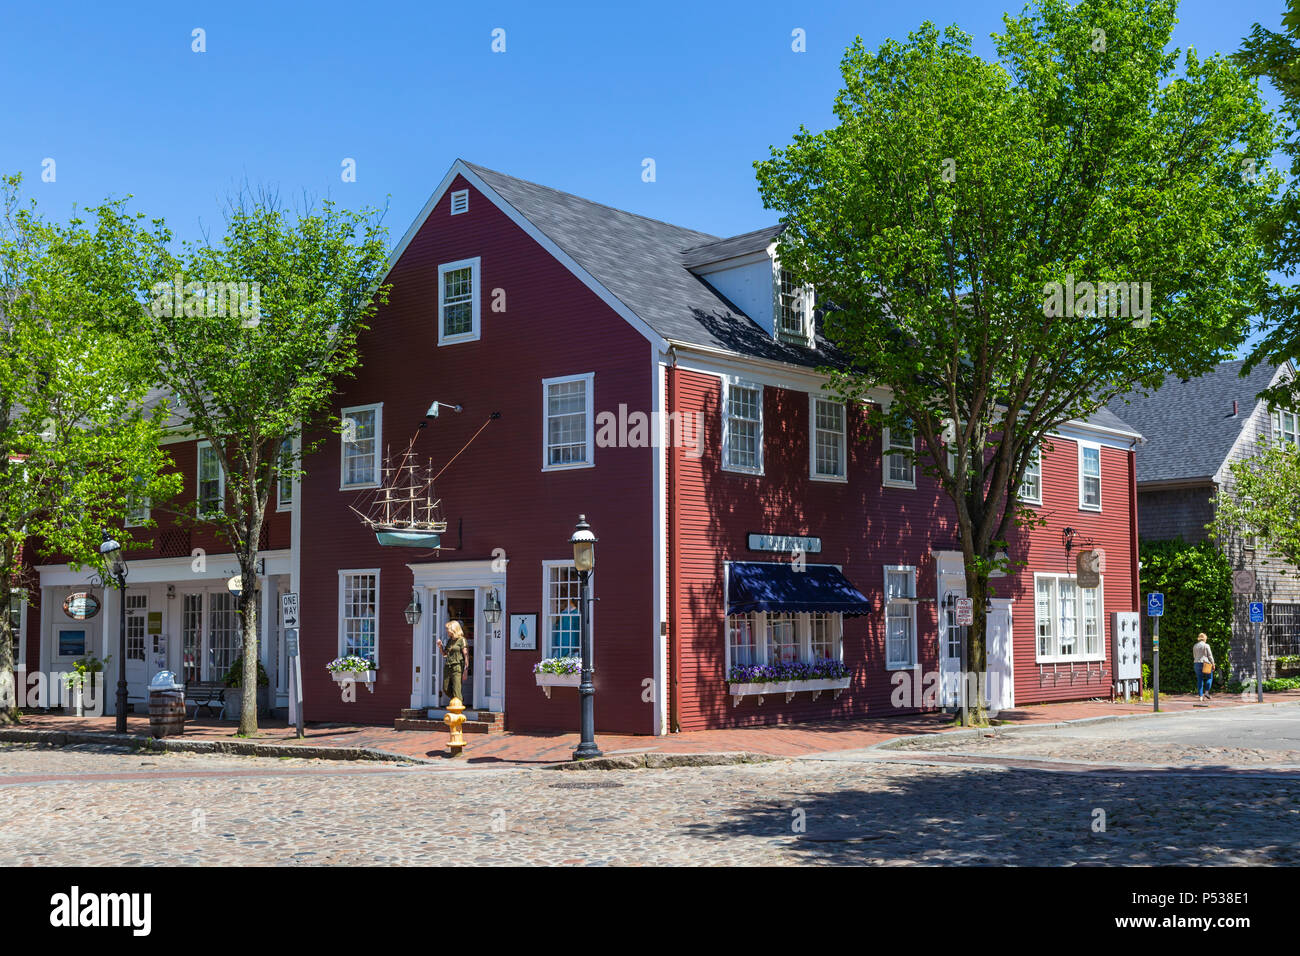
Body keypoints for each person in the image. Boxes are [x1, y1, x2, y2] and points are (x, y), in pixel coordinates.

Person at [438, 620, 470, 704]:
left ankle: (458, 708)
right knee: (446, 689)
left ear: (454, 629)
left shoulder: (462, 640)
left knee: (456, 689)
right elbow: (445, 654)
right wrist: (440, 646)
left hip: (457, 667)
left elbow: (466, 655)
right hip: (448, 666)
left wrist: (466, 670)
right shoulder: (450, 641)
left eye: (448, 629)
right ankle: (458, 700)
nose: (447, 631)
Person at [1192, 632, 1215, 701]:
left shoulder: (1195, 646)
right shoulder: (1206, 645)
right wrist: (1213, 664)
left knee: (1199, 679)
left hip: (1196, 663)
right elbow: (1210, 656)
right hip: (1205, 663)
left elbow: (1194, 656)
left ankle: (1200, 696)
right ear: (1205, 638)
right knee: (1209, 677)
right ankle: (1207, 692)